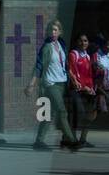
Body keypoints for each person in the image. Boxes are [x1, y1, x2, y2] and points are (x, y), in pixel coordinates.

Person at [27, 18, 82, 151]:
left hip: (61, 83)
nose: (53, 32)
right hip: (50, 84)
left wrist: (74, 79)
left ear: (60, 32)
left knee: (49, 114)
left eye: (55, 30)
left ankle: (38, 142)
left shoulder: (61, 44)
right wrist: (31, 85)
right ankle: (72, 140)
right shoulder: (46, 47)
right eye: (51, 29)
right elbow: (39, 66)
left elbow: (65, 65)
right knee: (62, 111)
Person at [67, 32, 97, 148]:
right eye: (81, 40)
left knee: (91, 114)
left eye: (85, 41)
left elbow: (89, 75)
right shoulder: (73, 54)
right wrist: (83, 86)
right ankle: (72, 139)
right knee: (78, 113)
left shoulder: (87, 56)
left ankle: (83, 139)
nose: (83, 43)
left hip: (87, 89)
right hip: (76, 89)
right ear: (76, 42)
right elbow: (73, 72)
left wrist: (91, 88)